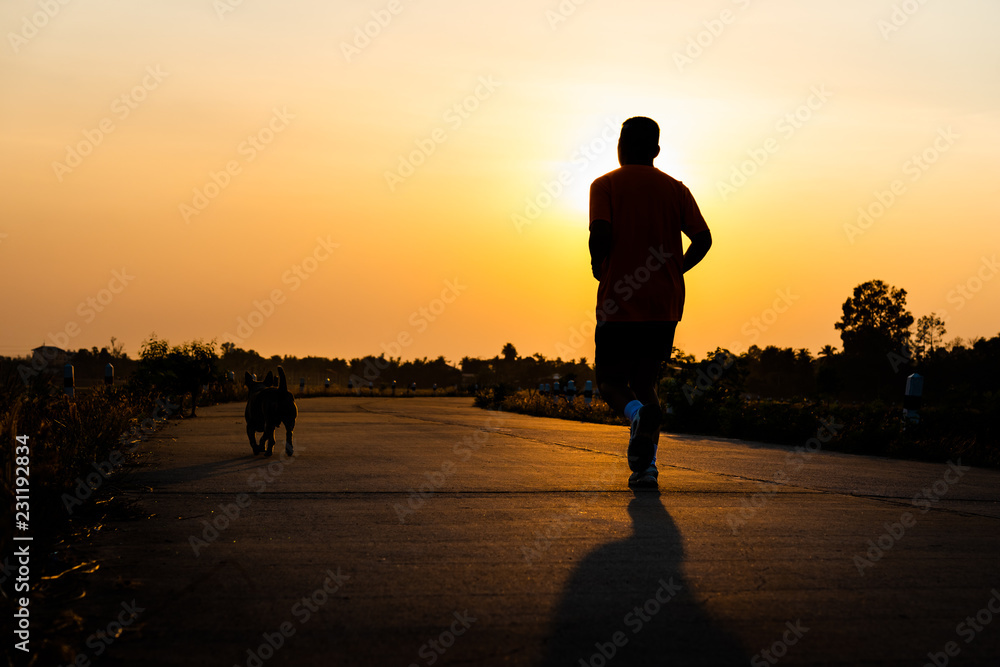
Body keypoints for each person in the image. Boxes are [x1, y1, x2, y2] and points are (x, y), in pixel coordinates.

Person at [588, 116, 712, 488]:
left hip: (620, 300)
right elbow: (703, 239)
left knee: (610, 382)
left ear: (620, 146)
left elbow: (600, 232)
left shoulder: (605, 184)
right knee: (645, 380)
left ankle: (637, 415)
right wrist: (676, 270)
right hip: (664, 303)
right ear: (656, 150)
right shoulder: (677, 189)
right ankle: (646, 469)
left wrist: (598, 265)